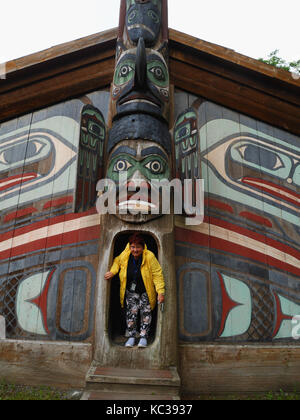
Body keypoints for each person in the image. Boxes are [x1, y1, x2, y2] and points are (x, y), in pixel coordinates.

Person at [105, 233, 165, 348]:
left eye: (138, 247)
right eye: (133, 247)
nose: (135, 250)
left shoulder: (149, 256)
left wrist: (160, 292)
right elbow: (117, 261)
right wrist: (113, 271)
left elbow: (157, 274)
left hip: (145, 292)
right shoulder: (126, 254)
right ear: (129, 247)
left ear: (143, 247)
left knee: (145, 314)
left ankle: (143, 337)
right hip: (131, 292)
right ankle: (132, 336)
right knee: (131, 314)